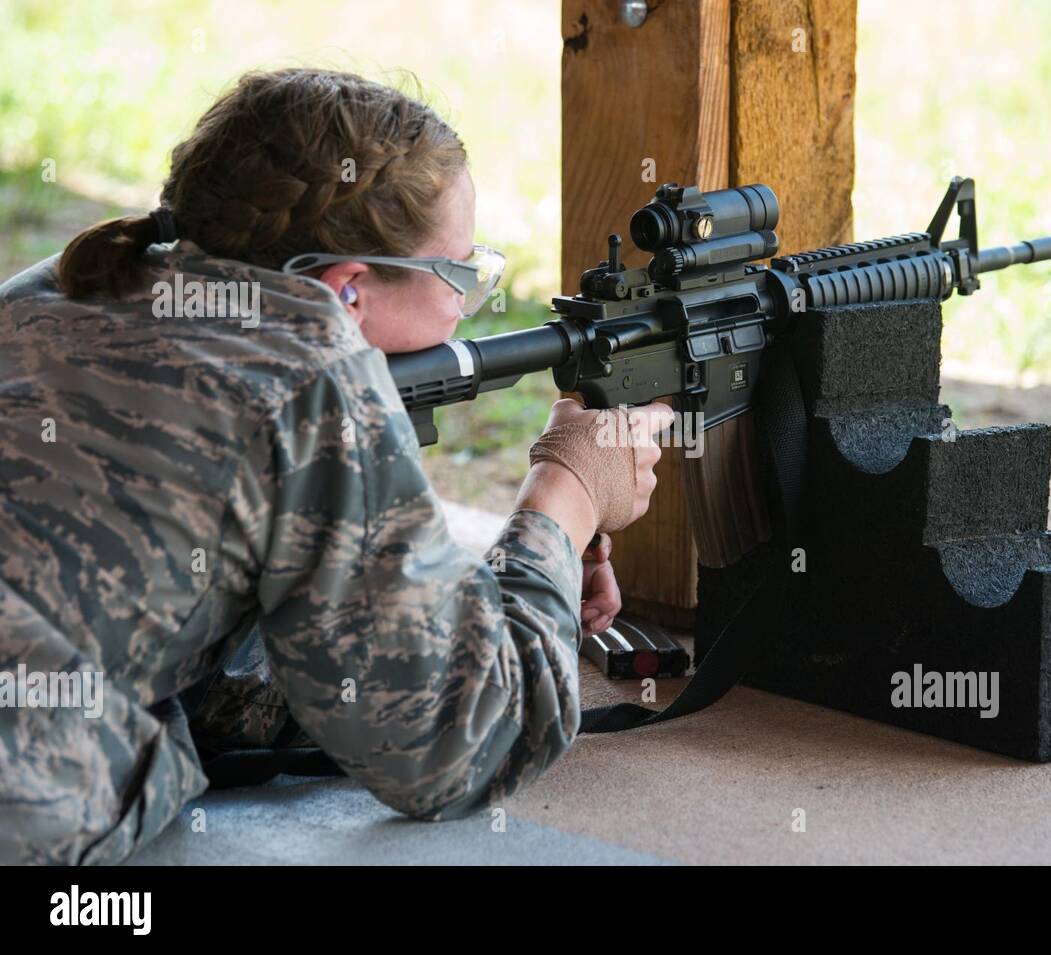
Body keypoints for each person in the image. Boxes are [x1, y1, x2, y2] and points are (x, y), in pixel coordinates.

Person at [0, 68, 671, 864]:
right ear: (346, 290)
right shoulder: (305, 365)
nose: (469, 303)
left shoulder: (56, 287)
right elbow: (453, 747)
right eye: (460, 276)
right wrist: (569, 492)